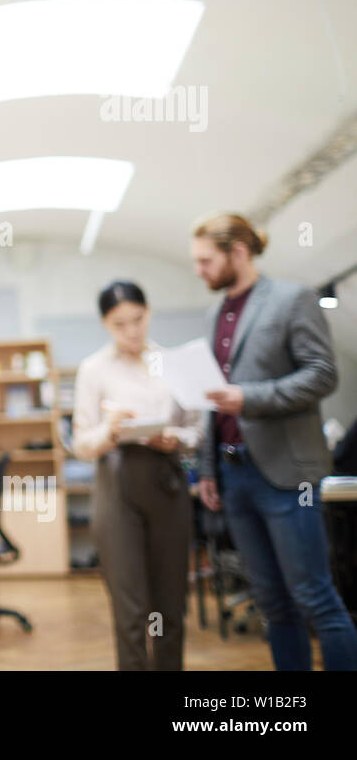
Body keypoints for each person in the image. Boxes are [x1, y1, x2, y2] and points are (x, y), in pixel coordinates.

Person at [191, 212, 357, 670]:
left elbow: (323, 374)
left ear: (237, 252)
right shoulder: (216, 314)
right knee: (273, 603)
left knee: (315, 597)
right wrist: (209, 469)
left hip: (286, 476)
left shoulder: (292, 299)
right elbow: (213, 398)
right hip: (235, 474)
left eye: (206, 260)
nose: (198, 270)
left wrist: (250, 397)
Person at [72, 281, 202, 670]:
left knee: (170, 604)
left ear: (149, 313)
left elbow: (197, 432)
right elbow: (80, 443)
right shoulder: (94, 369)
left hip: (167, 483)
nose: (131, 330)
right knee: (130, 608)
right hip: (116, 487)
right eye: (120, 323)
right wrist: (109, 433)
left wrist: (174, 438)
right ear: (105, 324)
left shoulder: (173, 363)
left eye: (138, 319)